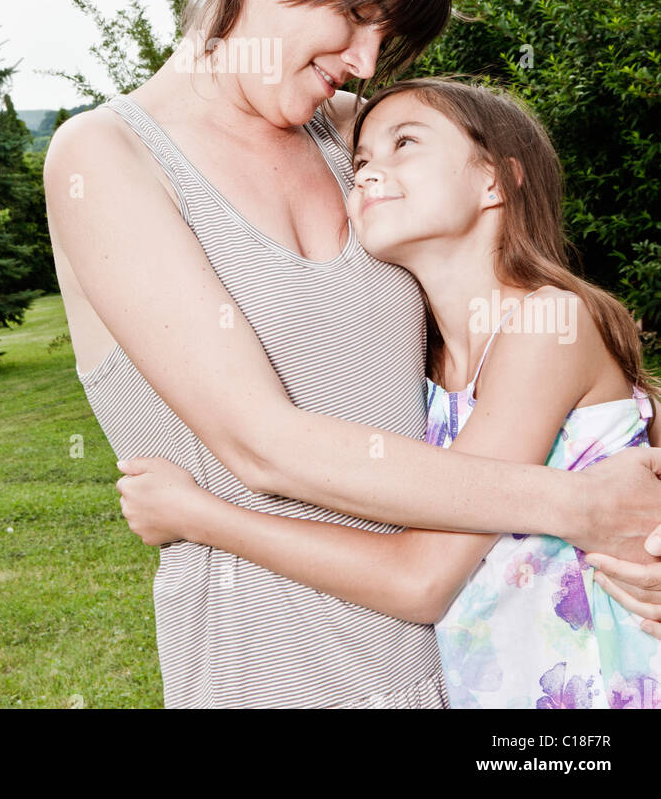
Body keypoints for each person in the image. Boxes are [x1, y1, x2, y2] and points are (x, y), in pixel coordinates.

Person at [44, 0, 661, 710]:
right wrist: (574, 506)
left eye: (388, 33)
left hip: (459, 672)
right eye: (356, 13)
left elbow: (526, 339)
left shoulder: (357, 148)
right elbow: (263, 446)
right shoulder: (107, 158)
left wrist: (643, 502)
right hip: (267, 682)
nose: (366, 61)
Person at [118, 77, 661, 708]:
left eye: (406, 143)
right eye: (362, 161)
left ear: (496, 181)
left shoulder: (548, 325)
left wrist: (203, 518)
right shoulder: (419, 365)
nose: (371, 173)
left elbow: (422, 579)